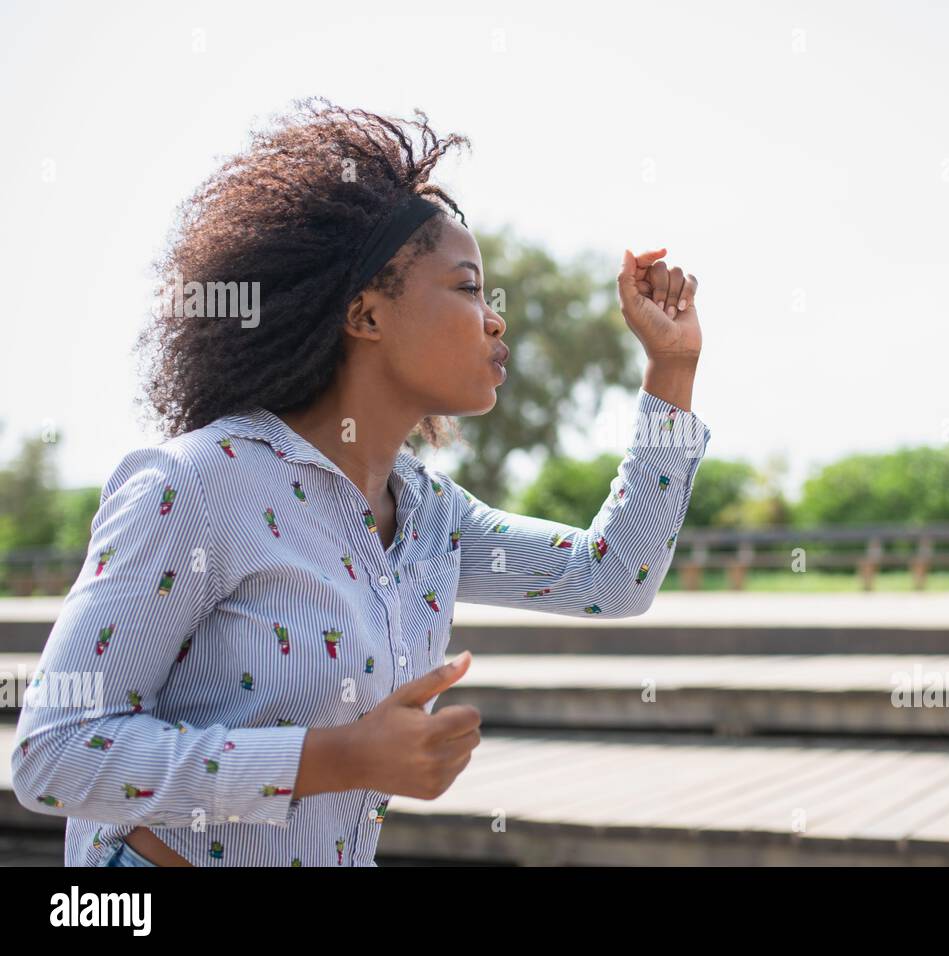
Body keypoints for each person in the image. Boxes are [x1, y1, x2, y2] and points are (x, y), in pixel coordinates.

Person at [9, 99, 711, 867]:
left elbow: (612, 579)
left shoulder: (433, 514)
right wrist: (339, 758)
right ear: (366, 315)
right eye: (468, 288)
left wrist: (671, 369)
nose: (495, 320)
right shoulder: (197, 485)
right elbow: (54, 753)